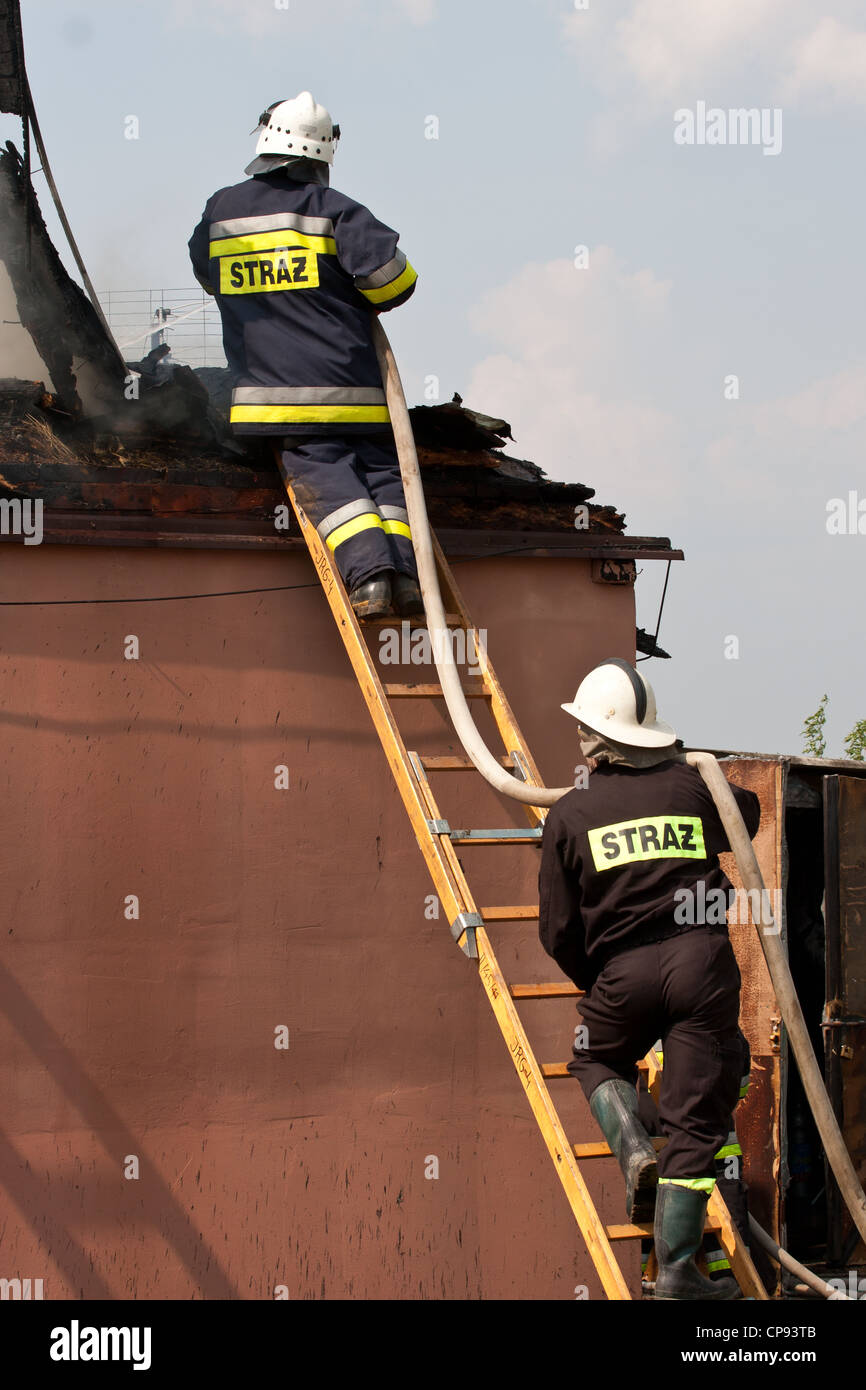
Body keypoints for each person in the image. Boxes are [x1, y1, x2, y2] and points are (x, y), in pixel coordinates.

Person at [538, 658, 761, 1300]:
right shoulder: (692, 788)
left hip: (623, 974)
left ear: (591, 738)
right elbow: (746, 815)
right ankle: (676, 1272)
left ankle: (634, 1144)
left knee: (594, 1059)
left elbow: (556, 931)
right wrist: (691, 765)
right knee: (696, 1123)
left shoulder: (569, 814)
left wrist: (601, 980)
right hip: (702, 968)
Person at [189, 92, 422, 619]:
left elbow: (207, 274)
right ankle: (405, 577)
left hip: (275, 401)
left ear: (266, 140)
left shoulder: (221, 211)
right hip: (359, 393)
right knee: (384, 474)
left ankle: (369, 582)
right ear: (323, 155)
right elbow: (397, 283)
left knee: (324, 472)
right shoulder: (338, 212)